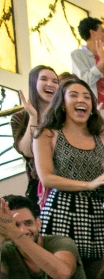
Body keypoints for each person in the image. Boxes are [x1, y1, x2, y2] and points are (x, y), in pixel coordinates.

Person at [33, 78, 104, 279]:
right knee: (64, 278)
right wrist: (88, 184)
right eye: (73, 95)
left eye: (86, 97)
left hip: (97, 216)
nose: (81, 100)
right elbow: (46, 178)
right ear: (62, 103)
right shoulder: (47, 134)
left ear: (91, 106)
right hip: (61, 212)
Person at [9, 66, 59, 205]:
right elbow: (28, 151)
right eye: (44, 79)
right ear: (33, 83)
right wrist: (33, 117)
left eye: (55, 81)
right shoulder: (19, 118)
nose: (50, 84)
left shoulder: (64, 116)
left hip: (67, 181)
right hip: (38, 186)